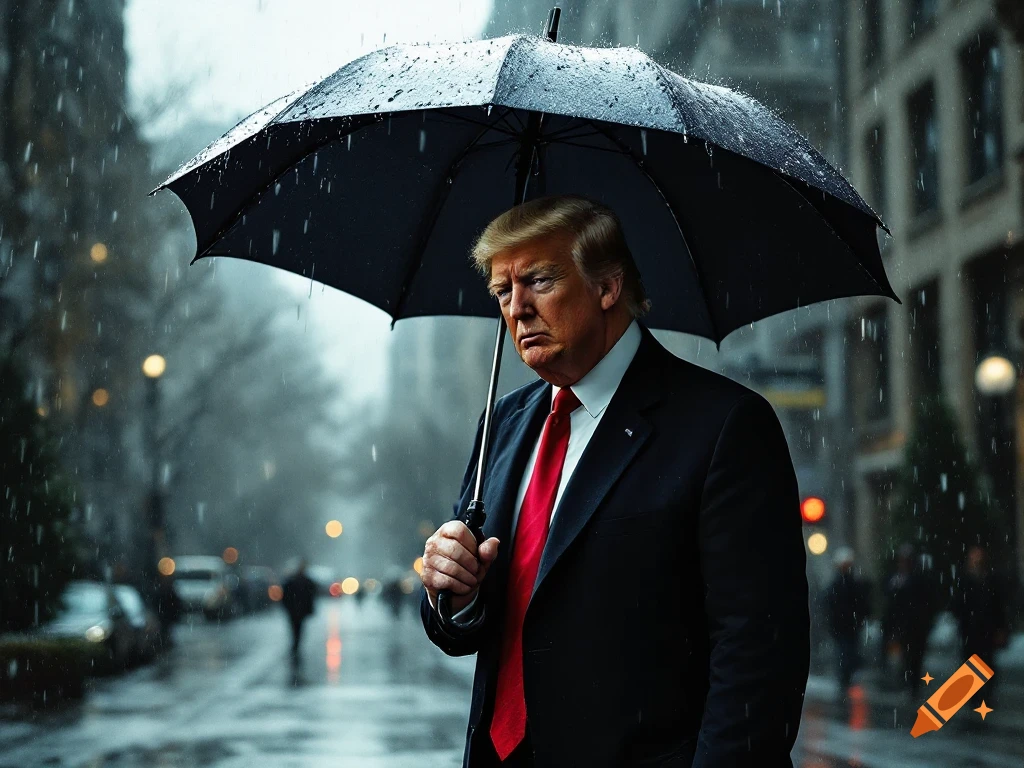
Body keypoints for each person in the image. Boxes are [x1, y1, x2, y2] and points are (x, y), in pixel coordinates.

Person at [418, 196, 810, 767]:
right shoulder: (502, 424)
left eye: (539, 281)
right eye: (502, 291)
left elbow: (757, 653)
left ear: (607, 286)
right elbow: (464, 630)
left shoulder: (723, 425)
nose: (517, 308)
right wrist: (456, 589)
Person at [952, 545, 1008, 703]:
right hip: (970, 629)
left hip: (986, 629)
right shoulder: (965, 580)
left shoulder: (990, 580)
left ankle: (986, 694)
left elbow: (998, 606)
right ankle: (974, 696)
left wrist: (1000, 628)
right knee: (971, 661)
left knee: (987, 661)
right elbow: (958, 605)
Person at [881, 544, 937, 698]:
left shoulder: (918, 579)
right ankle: (906, 683)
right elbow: (890, 603)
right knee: (901, 657)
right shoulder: (894, 579)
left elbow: (926, 602)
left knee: (914, 657)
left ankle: (912, 685)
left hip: (915, 626)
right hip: (899, 626)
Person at [824, 548, 871, 699]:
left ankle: (846, 677)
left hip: (850, 626)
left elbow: (862, 604)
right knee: (844, 654)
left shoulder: (852, 584)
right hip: (843, 626)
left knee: (848, 653)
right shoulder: (838, 585)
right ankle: (845, 678)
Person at [281, 559, 317, 660]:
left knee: (296, 628)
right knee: (297, 629)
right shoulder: (303, 581)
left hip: (296, 610)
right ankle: (296, 645)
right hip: (297, 610)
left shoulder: (294, 581)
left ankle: (295, 645)